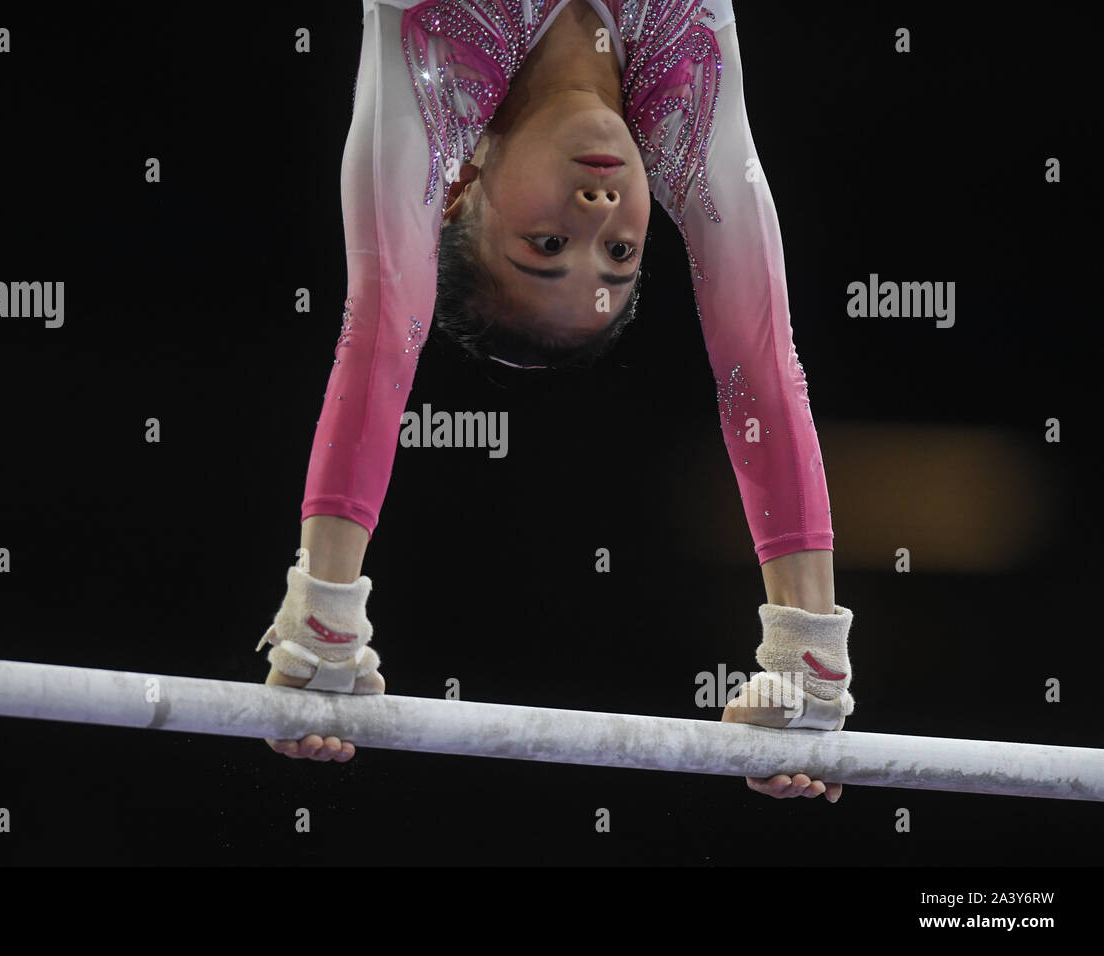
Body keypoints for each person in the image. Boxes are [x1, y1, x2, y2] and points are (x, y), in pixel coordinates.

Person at [256, 0, 855, 803]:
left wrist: (323, 617)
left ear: (459, 189)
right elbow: (759, 355)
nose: (599, 217)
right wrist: (805, 658)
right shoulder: (683, 95)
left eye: (545, 248)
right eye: (619, 254)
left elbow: (382, 326)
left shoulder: (432, 55)